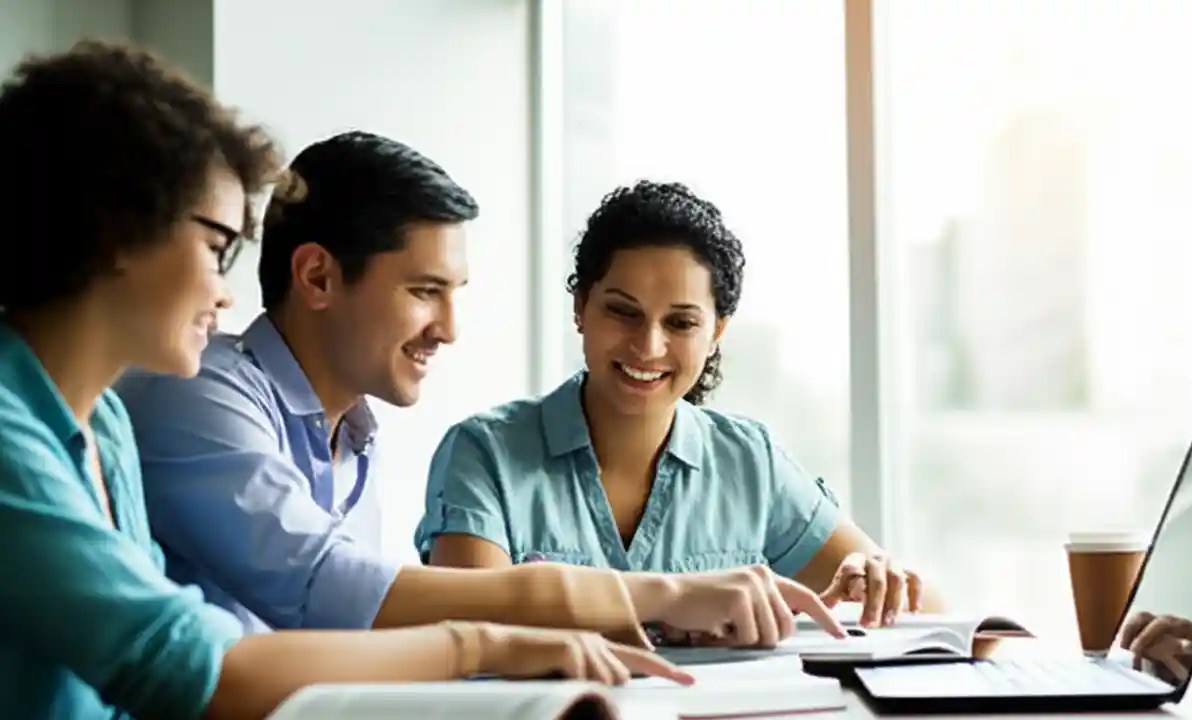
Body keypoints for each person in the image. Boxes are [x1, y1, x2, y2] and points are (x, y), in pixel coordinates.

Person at [0, 41, 697, 720]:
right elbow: (185, 660)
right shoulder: (52, 423)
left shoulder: (106, 425)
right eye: (216, 248)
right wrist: (484, 644)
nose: (225, 290)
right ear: (117, 233)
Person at [115, 130, 844, 647]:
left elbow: (353, 641)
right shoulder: (200, 393)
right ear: (317, 276)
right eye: (424, 291)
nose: (450, 329)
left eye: (455, 292)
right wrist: (665, 595)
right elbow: (328, 589)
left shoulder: (351, 438)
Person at [419, 181, 944, 629]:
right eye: (623, 312)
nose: (648, 346)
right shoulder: (485, 453)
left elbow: (931, 615)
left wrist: (874, 583)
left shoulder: (750, 463)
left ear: (716, 332)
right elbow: (471, 638)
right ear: (580, 307)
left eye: (681, 322)